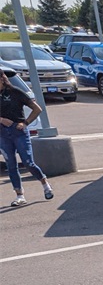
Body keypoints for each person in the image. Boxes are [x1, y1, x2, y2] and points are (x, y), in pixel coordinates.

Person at [0, 70, 53, 206]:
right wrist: (1, 119)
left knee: (28, 162)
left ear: (2, 79)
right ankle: (19, 195)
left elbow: (37, 109)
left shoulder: (15, 92)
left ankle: (45, 184)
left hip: (18, 131)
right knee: (11, 164)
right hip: (3, 134)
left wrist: (25, 123)